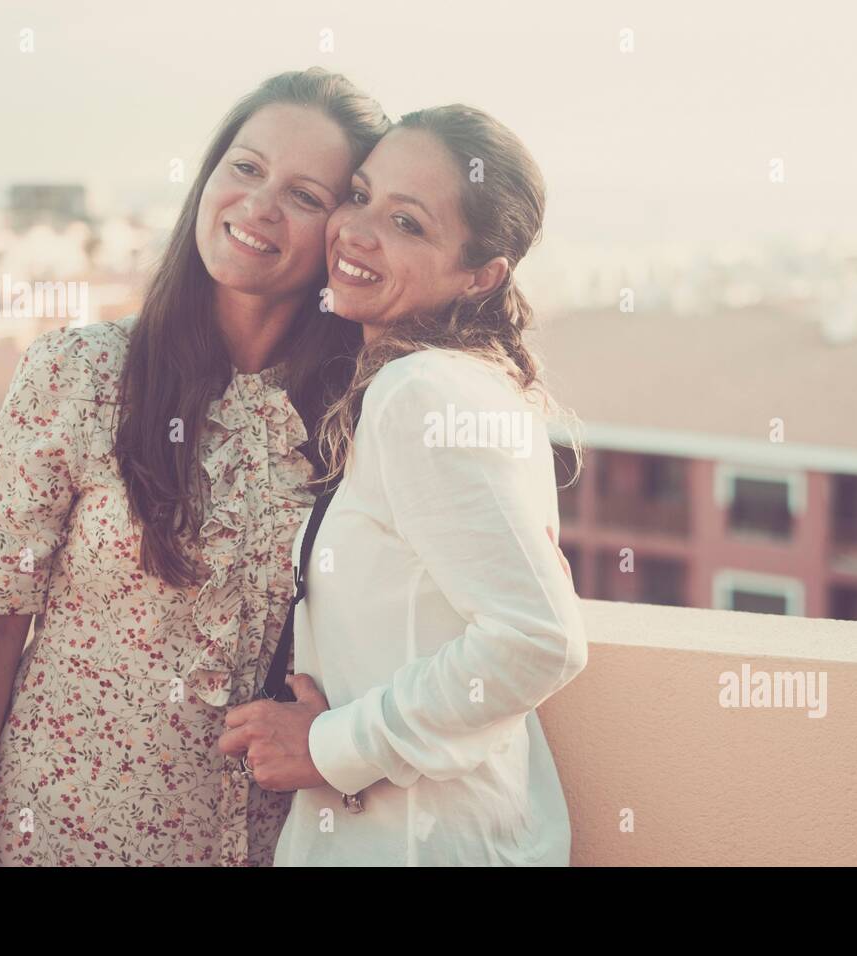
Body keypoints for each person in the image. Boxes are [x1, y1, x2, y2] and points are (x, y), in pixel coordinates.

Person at [0, 68, 389, 866]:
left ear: (341, 233)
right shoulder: (77, 375)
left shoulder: (362, 414)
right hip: (61, 840)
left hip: (272, 848)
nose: (259, 206)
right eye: (246, 167)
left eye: (306, 196)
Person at [218, 105, 589, 865]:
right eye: (359, 195)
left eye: (408, 224)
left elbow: (538, 640)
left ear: (479, 275)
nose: (357, 230)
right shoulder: (456, 382)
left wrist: (332, 745)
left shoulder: (419, 393)